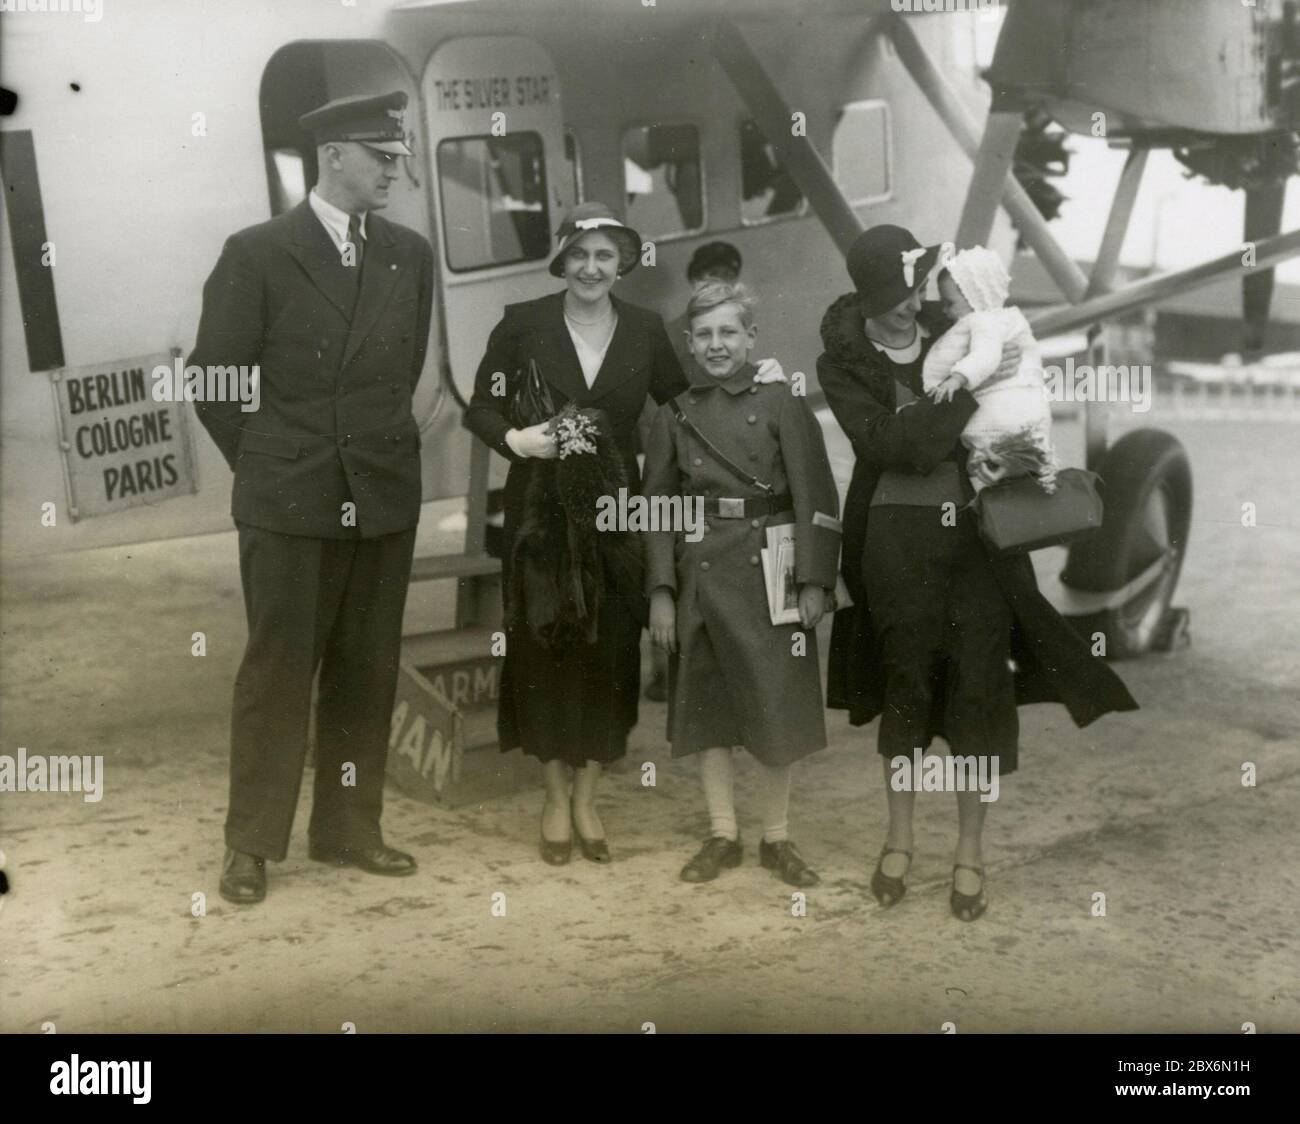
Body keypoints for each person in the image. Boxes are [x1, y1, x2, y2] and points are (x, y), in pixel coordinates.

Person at [817, 224, 1138, 921]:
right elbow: (891, 448)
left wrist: (959, 396)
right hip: (896, 546)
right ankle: (898, 840)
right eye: (891, 299)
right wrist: (967, 392)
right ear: (864, 299)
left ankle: (969, 852)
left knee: (979, 694)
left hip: (980, 542)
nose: (908, 308)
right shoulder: (841, 361)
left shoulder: (966, 321)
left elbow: (1016, 397)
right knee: (904, 691)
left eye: (913, 291)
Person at [191, 91, 435, 905]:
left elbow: (399, 376)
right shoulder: (257, 252)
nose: (396, 170)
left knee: (367, 669)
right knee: (279, 672)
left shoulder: (409, 254)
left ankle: (349, 829)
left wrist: (364, 453)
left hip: (381, 493)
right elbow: (217, 381)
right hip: (290, 499)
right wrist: (271, 464)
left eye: (397, 156)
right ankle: (252, 845)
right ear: (333, 157)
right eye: (382, 156)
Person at [644, 282, 841, 887]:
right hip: (701, 572)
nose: (716, 345)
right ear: (689, 343)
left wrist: (814, 581)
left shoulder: (783, 401)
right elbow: (655, 509)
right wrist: (661, 592)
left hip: (770, 572)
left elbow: (818, 497)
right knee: (709, 710)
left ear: (751, 337)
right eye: (703, 334)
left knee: (775, 704)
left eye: (728, 332)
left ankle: (776, 838)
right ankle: (722, 832)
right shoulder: (673, 414)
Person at [644, 240, 745, 702]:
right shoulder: (671, 335)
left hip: (723, 468)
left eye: (726, 276)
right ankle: (665, 671)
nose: (716, 284)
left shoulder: (733, 331)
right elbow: (654, 408)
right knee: (672, 564)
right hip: (677, 461)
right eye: (708, 276)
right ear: (692, 280)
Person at [923, 245, 1057, 493]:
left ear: (975, 296)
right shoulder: (1000, 319)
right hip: (1025, 416)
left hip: (1005, 415)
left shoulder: (985, 322)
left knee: (991, 472)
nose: (944, 310)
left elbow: (986, 355)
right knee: (1018, 474)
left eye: (949, 303)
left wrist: (957, 379)